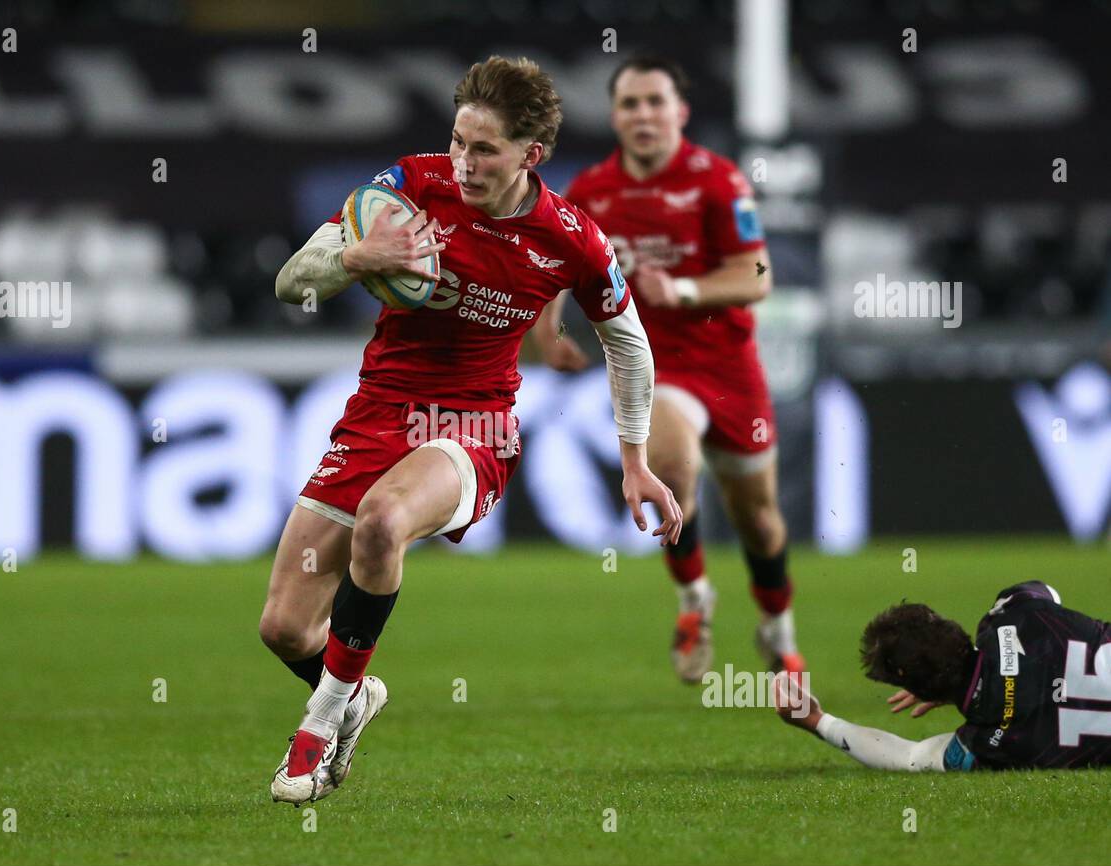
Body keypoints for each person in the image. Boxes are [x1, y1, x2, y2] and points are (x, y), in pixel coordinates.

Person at [264, 55, 681, 804]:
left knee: (383, 523)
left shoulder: (571, 239)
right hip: (377, 415)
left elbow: (630, 344)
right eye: (458, 141)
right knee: (284, 630)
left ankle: (318, 727)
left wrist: (636, 459)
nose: (464, 162)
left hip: (472, 426)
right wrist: (360, 257)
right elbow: (292, 280)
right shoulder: (411, 185)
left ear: (532, 155)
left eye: (484, 150)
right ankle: (358, 696)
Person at [534, 55, 803, 683]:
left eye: (655, 101)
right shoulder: (593, 192)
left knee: (759, 519)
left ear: (680, 112)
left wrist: (680, 291)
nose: (643, 114)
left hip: (729, 367)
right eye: (630, 104)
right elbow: (551, 263)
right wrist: (548, 327)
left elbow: (757, 275)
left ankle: (778, 630)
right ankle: (693, 600)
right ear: (615, 116)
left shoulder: (717, 181)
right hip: (654, 368)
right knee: (673, 469)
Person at [773, 581, 1111, 770]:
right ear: (949, 626)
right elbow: (1047, 592)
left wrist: (815, 720)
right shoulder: (1017, 612)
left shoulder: (988, 742)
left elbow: (908, 757)